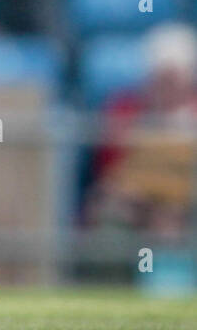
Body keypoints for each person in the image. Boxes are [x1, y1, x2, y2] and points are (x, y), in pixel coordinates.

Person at [83, 23, 197, 241]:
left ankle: (167, 273)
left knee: (167, 220)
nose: (167, 87)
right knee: (109, 213)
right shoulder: (125, 110)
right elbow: (108, 169)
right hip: (133, 199)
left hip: (183, 202)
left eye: (174, 78)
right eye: (161, 77)